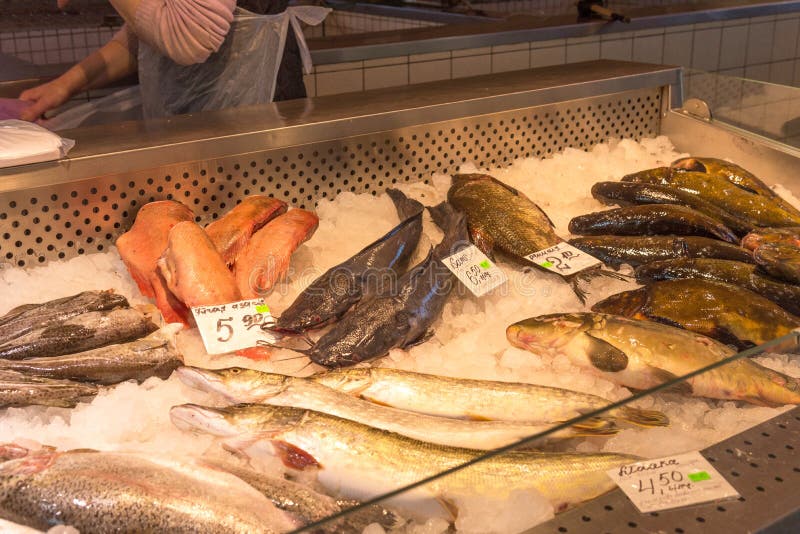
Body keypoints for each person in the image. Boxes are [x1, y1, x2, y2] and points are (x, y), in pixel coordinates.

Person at [19, 0, 320, 122]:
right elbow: (150, 27)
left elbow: (190, 36)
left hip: (251, 112)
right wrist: (67, 84)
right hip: (195, 124)